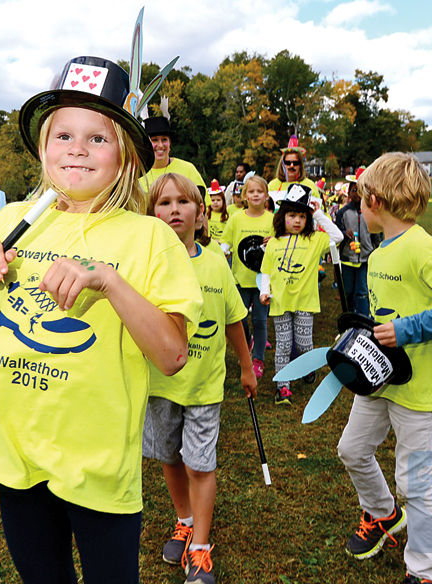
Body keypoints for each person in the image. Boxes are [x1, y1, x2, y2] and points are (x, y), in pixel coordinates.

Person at [0, 53, 201, 584]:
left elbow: (172, 355)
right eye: (63, 136)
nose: (77, 150)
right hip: (15, 451)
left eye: (97, 138)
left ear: (126, 157)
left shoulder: (150, 236)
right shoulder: (13, 219)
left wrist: (110, 282)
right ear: (42, 148)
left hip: (96, 460)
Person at [335, 153, 432, 584]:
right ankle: (383, 515)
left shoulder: (422, 247)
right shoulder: (380, 253)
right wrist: (358, 339)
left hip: (421, 390)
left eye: (361, 198)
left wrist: (409, 330)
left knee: (415, 481)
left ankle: (425, 572)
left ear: (376, 201)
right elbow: (382, 314)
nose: (358, 207)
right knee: (352, 449)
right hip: (381, 381)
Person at [144, 172, 256, 584]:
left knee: (200, 464)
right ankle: (185, 519)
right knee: (169, 457)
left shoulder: (215, 264)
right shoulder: (146, 265)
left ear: (201, 214)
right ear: (151, 213)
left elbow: (233, 320)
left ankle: (200, 547)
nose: (174, 209)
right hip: (159, 385)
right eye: (164, 202)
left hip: (204, 386)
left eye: (183, 202)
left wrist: (245, 365)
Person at [260, 184, 342, 404]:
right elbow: (266, 271)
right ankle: (283, 387)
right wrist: (264, 291)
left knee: (305, 345)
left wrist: (319, 215)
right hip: (280, 303)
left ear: (308, 219)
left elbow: (338, 236)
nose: (297, 220)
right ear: (282, 217)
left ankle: (306, 368)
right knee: (284, 346)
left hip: (306, 303)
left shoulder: (314, 240)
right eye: (291, 215)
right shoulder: (274, 243)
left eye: (302, 216)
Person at [220, 174, 273, 379]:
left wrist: (274, 242)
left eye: (260, 191)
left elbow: (280, 245)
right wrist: (215, 252)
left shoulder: (272, 220)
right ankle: (248, 340)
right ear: (244, 196)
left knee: (260, 321)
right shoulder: (236, 219)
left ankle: (258, 359)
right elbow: (226, 244)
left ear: (266, 196)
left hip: (263, 283)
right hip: (239, 281)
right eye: (251, 191)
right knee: (239, 318)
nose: (256, 195)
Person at [335, 167, 379, 317]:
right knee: (348, 291)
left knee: (362, 291)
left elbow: (377, 235)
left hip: (366, 258)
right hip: (347, 259)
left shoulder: (371, 212)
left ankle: (363, 318)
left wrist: (378, 250)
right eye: (353, 190)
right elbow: (335, 234)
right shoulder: (342, 213)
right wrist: (343, 233)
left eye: (359, 190)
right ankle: (349, 317)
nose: (356, 194)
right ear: (348, 193)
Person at [139, 111, 205, 192]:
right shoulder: (137, 174)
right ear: (146, 144)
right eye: (154, 140)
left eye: (164, 139)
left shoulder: (188, 169)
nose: (160, 145)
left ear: (170, 143)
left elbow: (203, 203)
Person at [268, 136, 320, 200]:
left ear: (300, 165)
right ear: (282, 165)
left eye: (295, 163)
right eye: (288, 162)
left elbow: (319, 208)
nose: (291, 165)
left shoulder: (310, 185)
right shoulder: (272, 186)